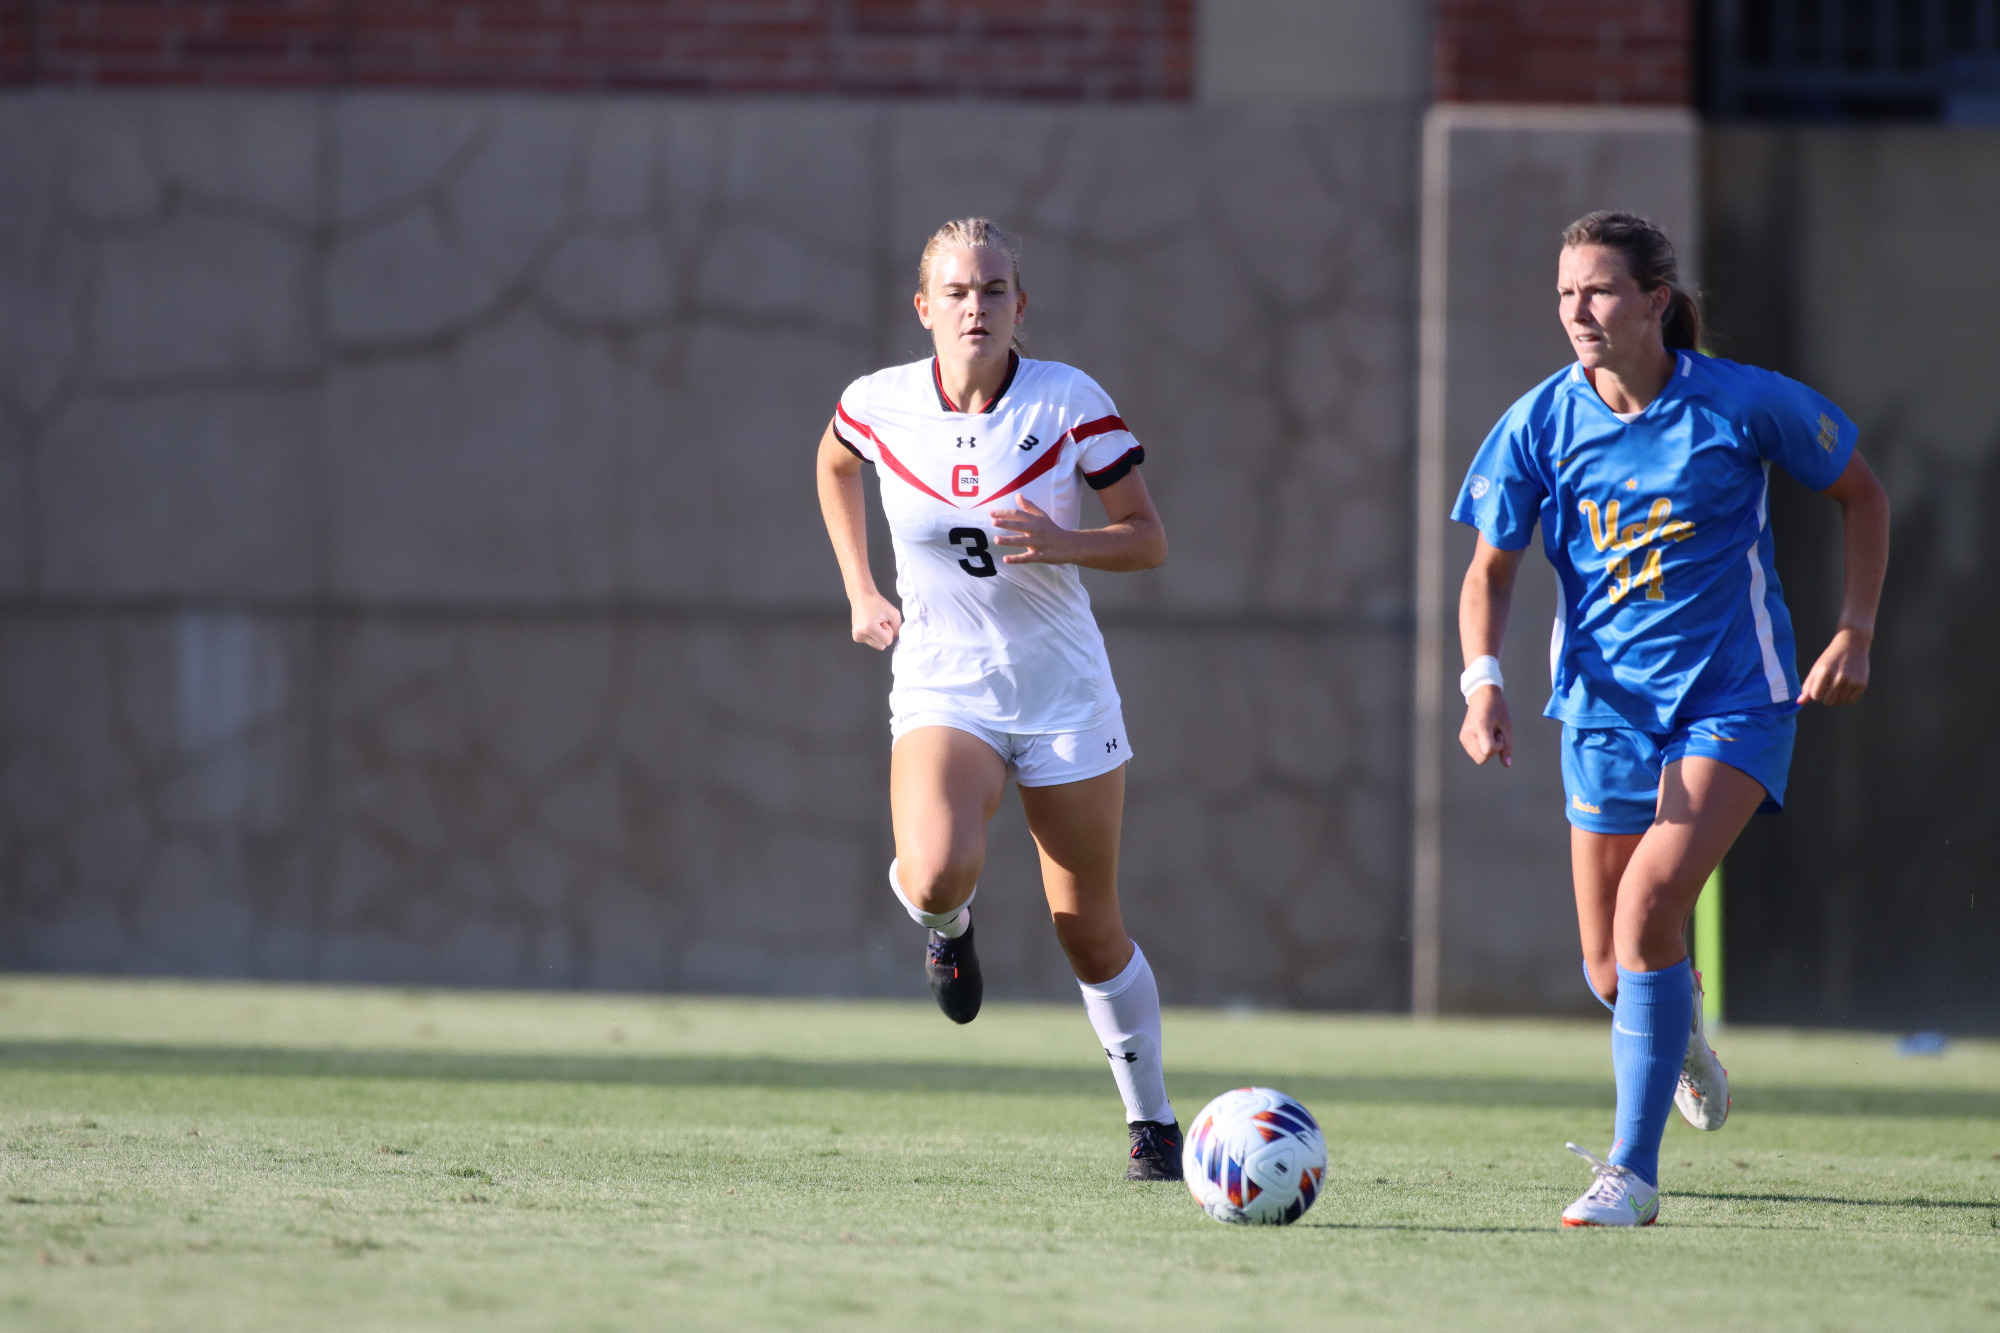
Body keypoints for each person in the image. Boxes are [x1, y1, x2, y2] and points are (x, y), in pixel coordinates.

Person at [1452, 211, 1890, 1226]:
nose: (1577, 311)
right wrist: (1481, 681)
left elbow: (1860, 494)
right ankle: (1676, 1035)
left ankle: (1630, 1175)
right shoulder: (1537, 422)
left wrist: (1853, 631)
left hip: (1732, 702)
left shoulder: (1738, 403)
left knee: (1648, 909)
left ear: (1654, 301)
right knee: (1608, 965)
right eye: (1565, 293)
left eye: (1598, 290)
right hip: (1603, 714)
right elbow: (1488, 570)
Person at [814, 218, 1181, 1181]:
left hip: (1062, 691)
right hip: (945, 682)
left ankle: (1152, 1121)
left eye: (995, 290)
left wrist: (1067, 541)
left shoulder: (1068, 402)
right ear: (924, 307)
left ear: (1022, 304)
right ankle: (949, 932)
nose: (977, 307)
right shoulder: (879, 401)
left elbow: (1146, 538)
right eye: (959, 291)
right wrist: (859, 586)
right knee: (933, 872)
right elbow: (834, 461)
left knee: (1087, 927)